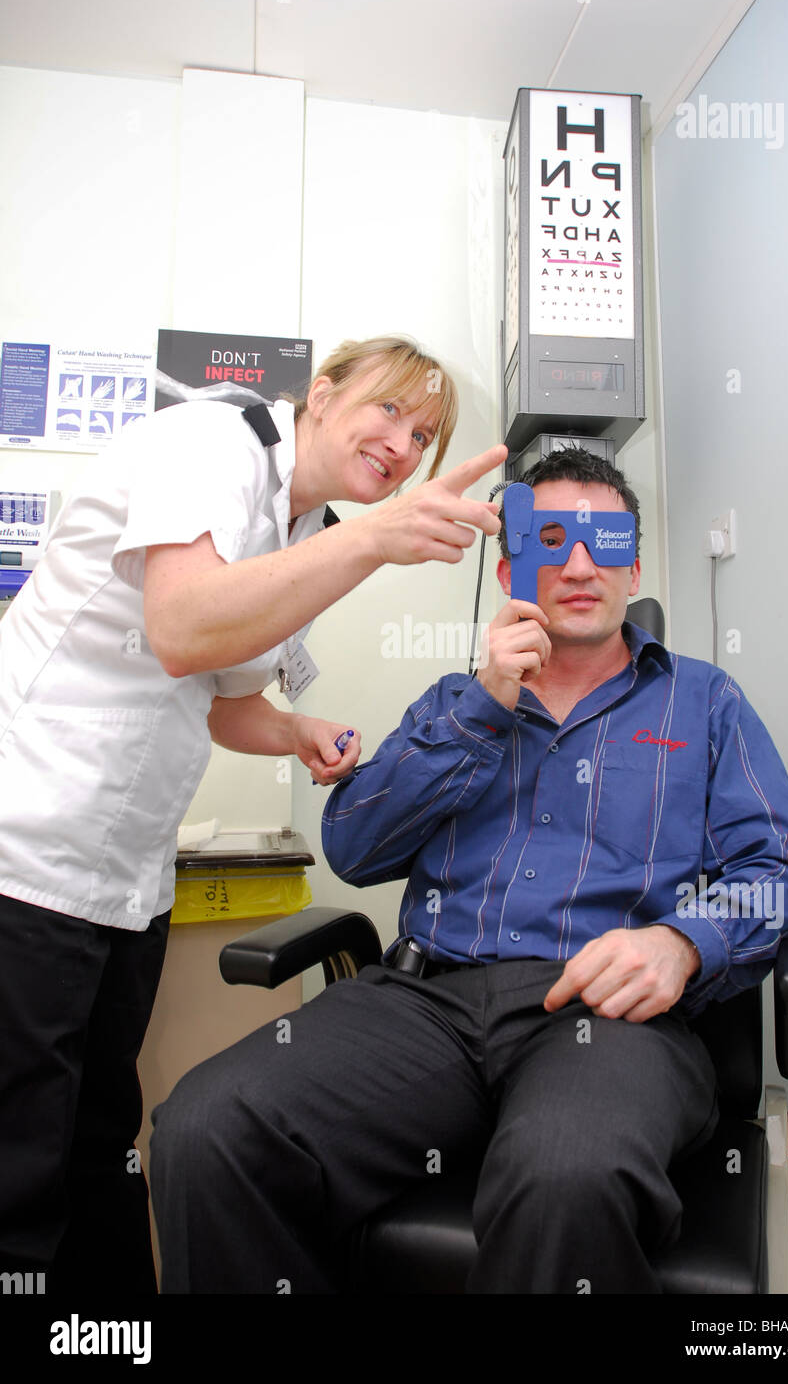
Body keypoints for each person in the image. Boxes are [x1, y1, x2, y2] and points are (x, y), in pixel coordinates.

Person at [149, 447, 788, 1294]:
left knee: (563, 1174)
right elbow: (355, 848)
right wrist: (484, 706)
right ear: (510, 568)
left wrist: (684, 943)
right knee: (206, 1127)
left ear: (634, 565)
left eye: (603, 542)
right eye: (550, 540)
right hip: (427, 1005)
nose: (579, 564)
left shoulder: (706, 703)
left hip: (605, 1019)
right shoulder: (454, 703)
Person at [0, 334, 506, 1294]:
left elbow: (223, 699)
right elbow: (184, 628)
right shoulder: (212, 443)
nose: (405, 446)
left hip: (123, 880)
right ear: (321, 394)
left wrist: (298, 731)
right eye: (390, 412)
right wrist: (379, 537)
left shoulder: (309, 531)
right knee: (19, 1164)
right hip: (26, 848)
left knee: (103, 1142)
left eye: (426, 435)